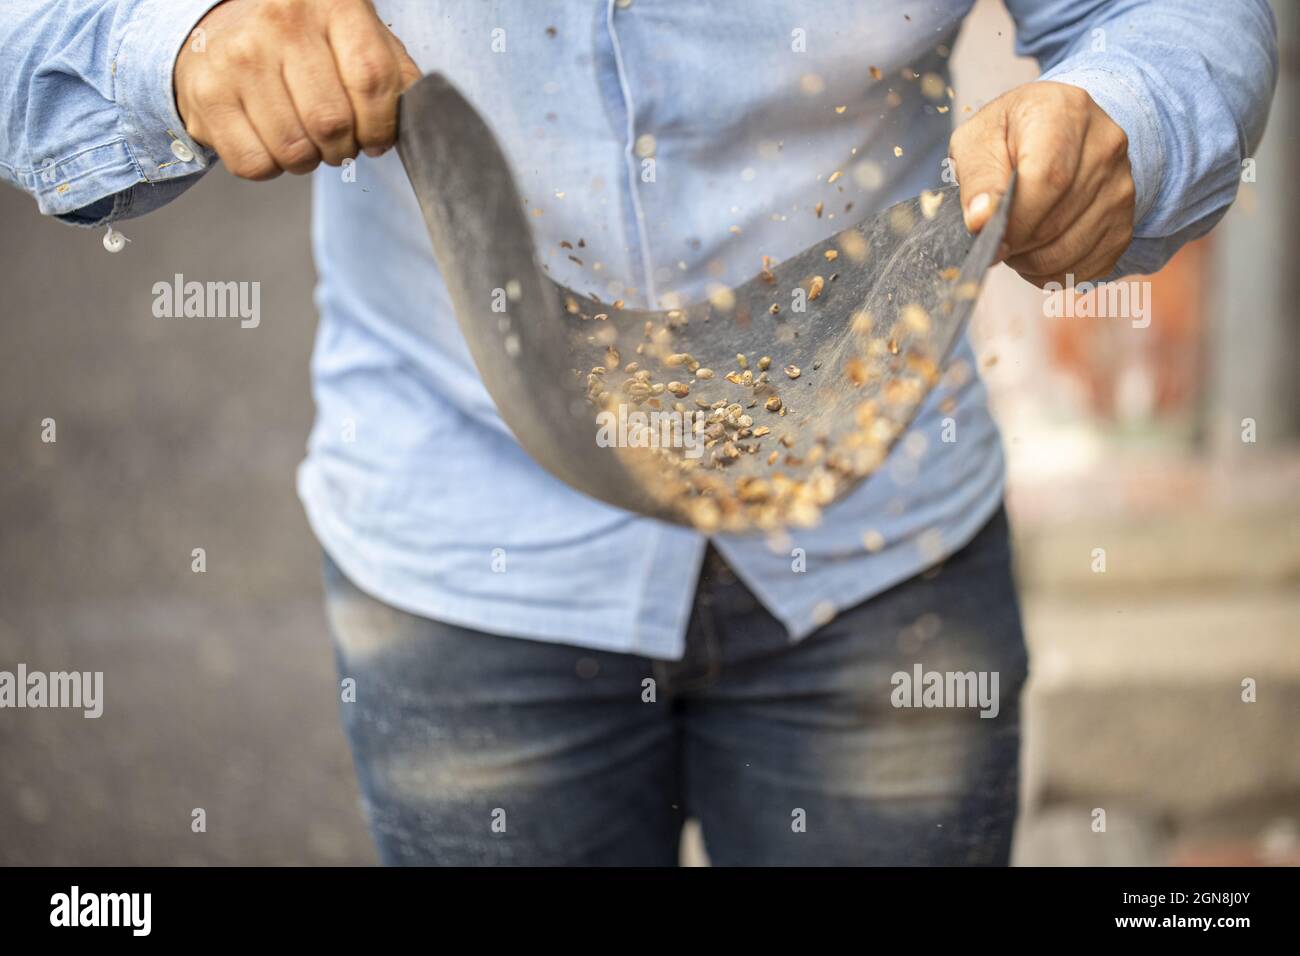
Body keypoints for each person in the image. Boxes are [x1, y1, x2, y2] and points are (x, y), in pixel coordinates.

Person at [0, 0, 1276, 865]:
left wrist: (1124, 114)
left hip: (886, 538)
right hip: (469, 532)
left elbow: (1174, 17)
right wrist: (178, 40)